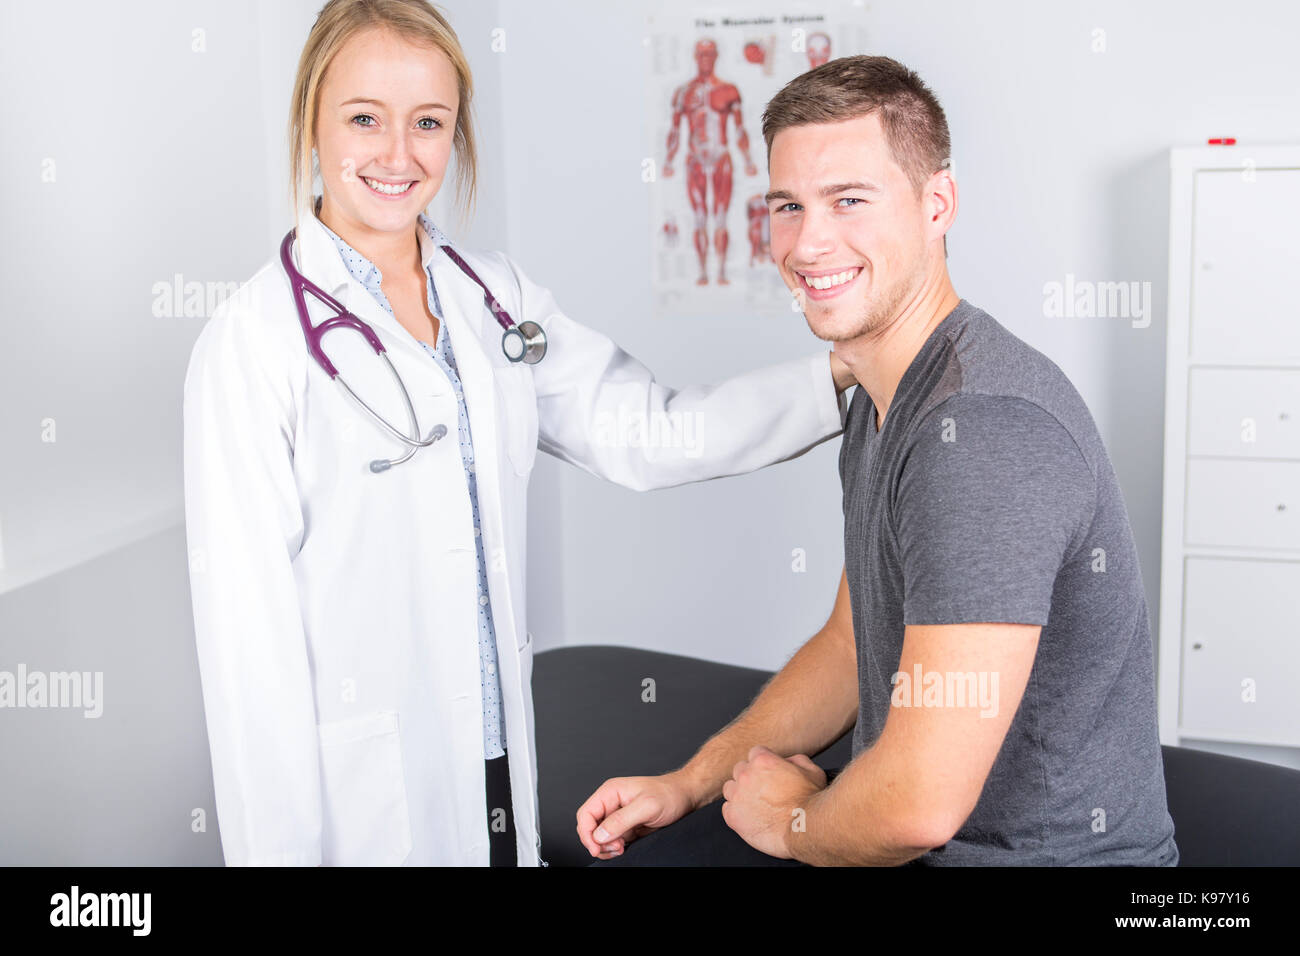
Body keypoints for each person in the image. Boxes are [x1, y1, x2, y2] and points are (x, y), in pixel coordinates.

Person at [182, 0, 854, 868]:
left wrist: (838, 378)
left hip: (496, 778)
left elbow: (651, 431)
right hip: (369, 806)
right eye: (363, 119)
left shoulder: (494, 302)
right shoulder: (253, 342)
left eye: (429, 121)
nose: (398, 154)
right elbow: (251, 667)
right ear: (310, 121)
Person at [577, 55, 1179, 866]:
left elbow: (920, 805)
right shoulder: (880, 395)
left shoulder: (981, 433)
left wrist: (792, 824)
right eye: (787, 206)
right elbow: (850, 645)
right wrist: (689, 782)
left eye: (849, 200)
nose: (809, 241)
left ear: (939, 204)